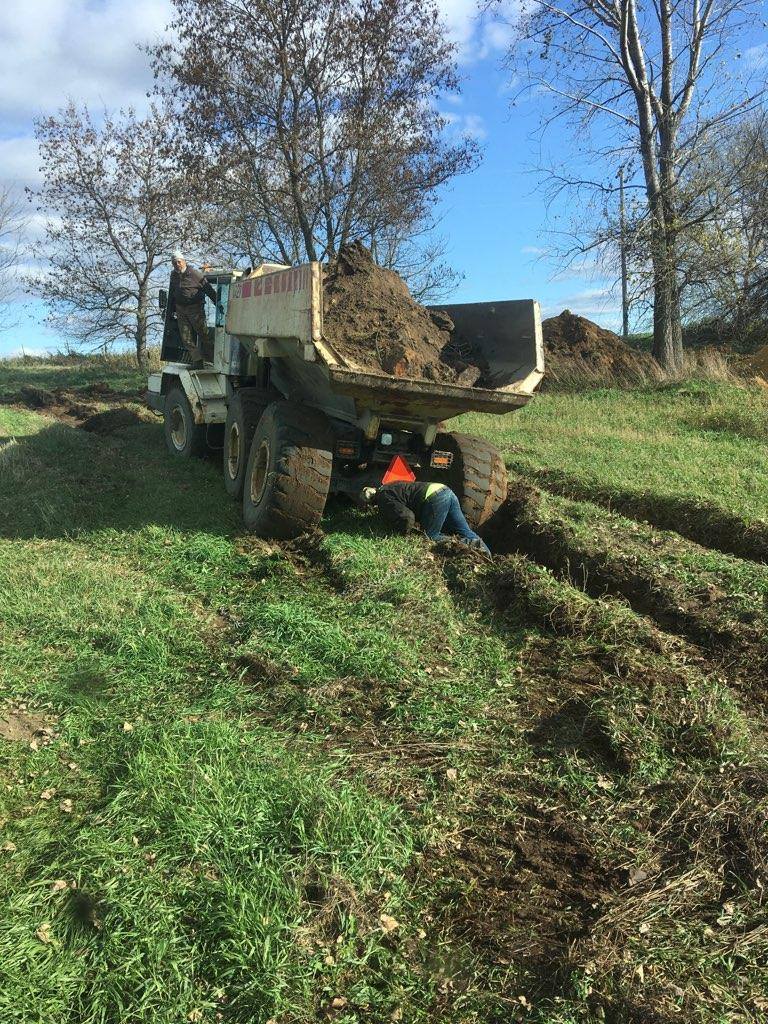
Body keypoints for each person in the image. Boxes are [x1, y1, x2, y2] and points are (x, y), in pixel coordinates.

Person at [361, 481, 491, 555]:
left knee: (431, 536)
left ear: (372, 500)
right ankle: (488, 556)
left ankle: (462, 543)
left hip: (434, 498)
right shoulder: (390, 486)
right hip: (446, 491)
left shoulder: (383, 497)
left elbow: (407, 518)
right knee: (465, 531)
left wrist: (404, 535)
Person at [167, 250, 218, 369]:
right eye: (174, 263)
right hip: (180, 310)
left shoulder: (195, 274)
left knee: (203, 334)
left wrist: (220, 305)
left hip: (195, 309)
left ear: (184, 261)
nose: (177, 265)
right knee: (186, 338)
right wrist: (171, 310)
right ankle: (198, 361)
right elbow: (173, 293)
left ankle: (213, 360)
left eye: (178, 262)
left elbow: (209, 290)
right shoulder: (173, 275)